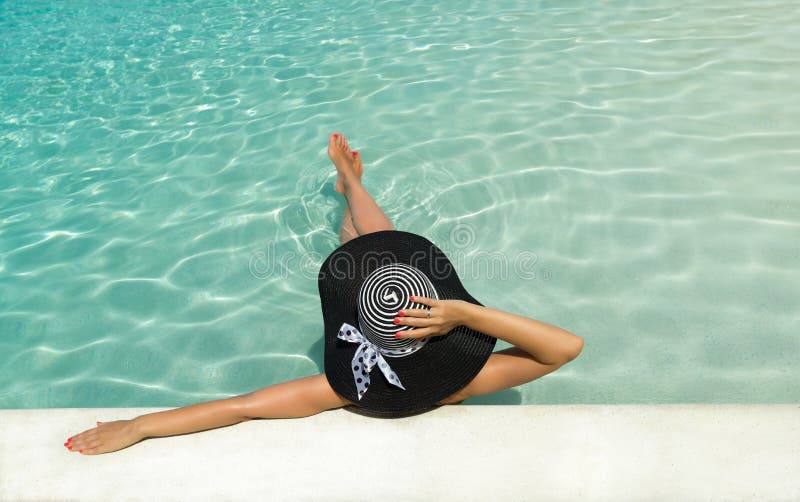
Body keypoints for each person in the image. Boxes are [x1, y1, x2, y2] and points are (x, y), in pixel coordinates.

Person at [63, 133, 583, 455]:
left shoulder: (342, 388)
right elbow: (565, 347)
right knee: (378, 252)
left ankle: (351, 188)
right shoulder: (467, 381)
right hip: (440, 323)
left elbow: (241, 407)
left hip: (389, 314)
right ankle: (352, 188)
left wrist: (139, 427)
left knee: (371, 252)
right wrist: (470, 314)